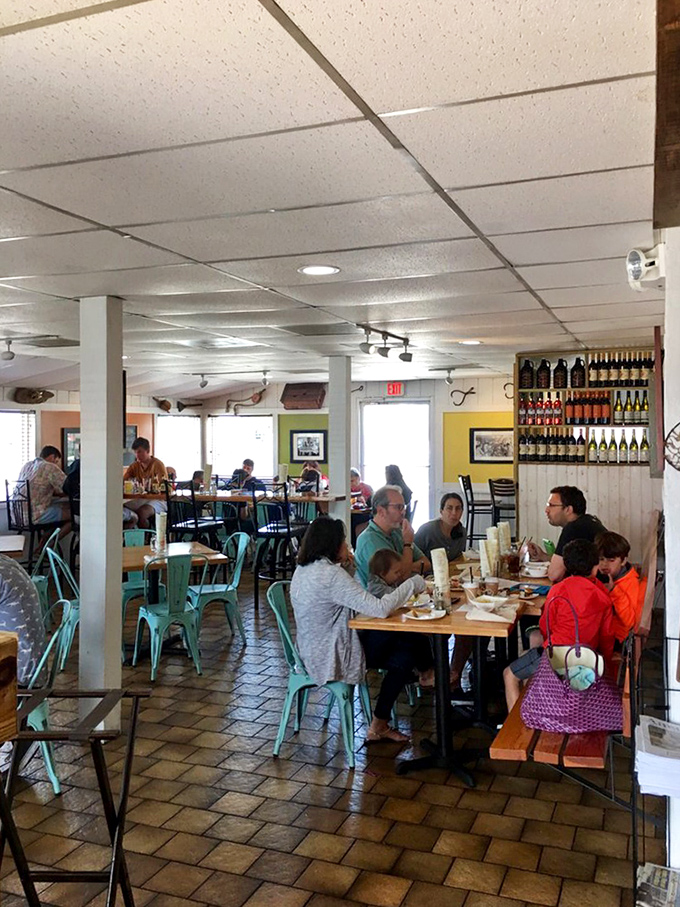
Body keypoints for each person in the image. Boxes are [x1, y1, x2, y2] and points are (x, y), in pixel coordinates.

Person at [290, 517, 428, 743]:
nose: (347, 545)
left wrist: (347, 566)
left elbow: (348, 597)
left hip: (308, 648)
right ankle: (383, 719)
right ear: (333, 545)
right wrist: (412, 584)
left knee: (404, 649)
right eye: (344, 542)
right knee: (405, 648)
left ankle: (384, 719)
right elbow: (380, 608)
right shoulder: (330, 576)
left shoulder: (303, 569)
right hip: (332, 653)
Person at [503, 539, 615, 711]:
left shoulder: (558, 590)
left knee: (510, 674)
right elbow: (607, 636)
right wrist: (604, 663)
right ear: (595, 567)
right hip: (586, 658)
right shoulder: (602, 594)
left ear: (567, 566)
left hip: (557, 656)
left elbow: (545, 626)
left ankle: (518, 727)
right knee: (530, 658)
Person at [354, 485, 431, 588]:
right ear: (381, 511)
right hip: (381, 600)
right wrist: (407, 545)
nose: (403, 512)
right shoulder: (369, 540)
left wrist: (405, 568)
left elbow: (426, 563)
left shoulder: (397, 532)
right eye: (399, 507)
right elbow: (402, 578)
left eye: (403, 507)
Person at [527, 486, 606, 583]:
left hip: (595, 589)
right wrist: (543, 556)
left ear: (568, 509)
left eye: (551, 505)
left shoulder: (574, 528)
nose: (546, 510)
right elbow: (569, 563)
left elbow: (554, 575)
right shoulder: (589, 521)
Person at [64, 457, 138, 528]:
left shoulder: (73, 473)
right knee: (134, 517)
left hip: (78, 517)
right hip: (102, 517)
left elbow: (65, 489)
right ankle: (119, 539)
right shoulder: (101, 472)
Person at [596, 531, 642, 643]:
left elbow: (630, 621)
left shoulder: (631, 582)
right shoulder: (600, 575)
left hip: (617, 637)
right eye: (601, 559)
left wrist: (614, 591)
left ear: (623, 561)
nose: (604, 565)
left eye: (611, 560)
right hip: (601, 626)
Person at [15, 446, 70, 537]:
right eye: (56, 461)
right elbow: (68, 487)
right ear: (52, 457)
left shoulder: (27, 465)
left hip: (17, 516)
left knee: (59, 509)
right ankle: (48, 545)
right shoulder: (49, 467)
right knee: (74, 515)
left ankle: (42, 546)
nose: (56, 464)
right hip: (34, 516)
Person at [123, 438, 168, 529]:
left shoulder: (158, 465)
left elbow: (164, 487)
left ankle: (146, 538)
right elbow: (124, 481)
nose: (137, 455)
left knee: (142, 513)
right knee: (123, 509)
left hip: (159, 500)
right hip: (142, 499)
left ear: (147, 451)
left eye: (139, 452)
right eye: (135, 452)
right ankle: (130, 537)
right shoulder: (134, 466)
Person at [415, 493, 466, 562]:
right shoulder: (427, 530)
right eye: (449, 508)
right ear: (441, 511)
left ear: (462, 512)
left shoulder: (462, 532)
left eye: (458, 508)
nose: (454, 513)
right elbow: (412, 556)